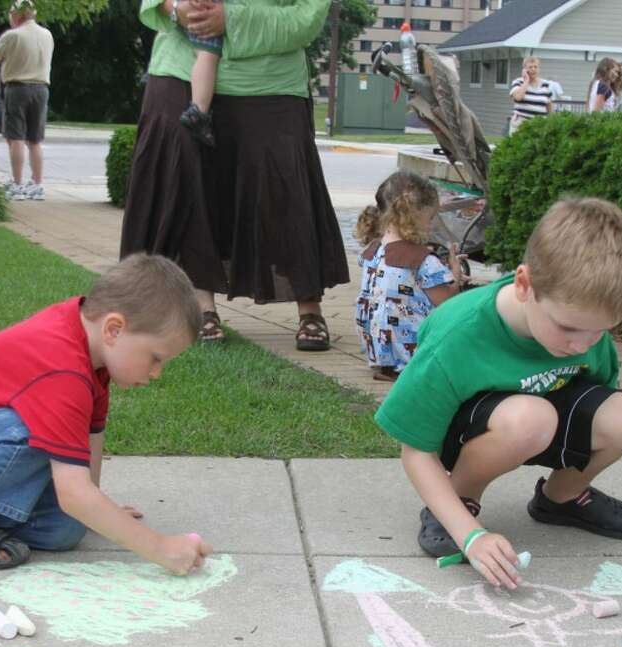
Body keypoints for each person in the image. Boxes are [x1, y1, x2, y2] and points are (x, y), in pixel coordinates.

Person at [374, 197, 622, 591]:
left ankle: (562, 498)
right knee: (530, 419)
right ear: (524, 285)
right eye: (569, 329)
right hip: (480, 430)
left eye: (599, 331)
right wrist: (470, 536)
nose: (584, 344)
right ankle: (458, 505)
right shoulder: (458, 334)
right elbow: (416, 451)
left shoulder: (582, 328)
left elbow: (603, 394)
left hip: (538, 411)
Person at [0, 254, 211, 574]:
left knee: (64, 529)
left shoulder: (94, 356)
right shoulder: (63, 367)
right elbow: (74, 492)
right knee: (29, 432)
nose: (156, 373)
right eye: (155, 358)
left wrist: (101, 508)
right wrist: (161, 548)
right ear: (114, 329)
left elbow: (90, 445)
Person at [120, 0, 347, 350]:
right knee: (186, 188)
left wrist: (232, 19)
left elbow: (308, 16)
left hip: (271, 81)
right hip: (181, 68)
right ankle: (199, 306)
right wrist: (176, 7)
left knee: (285, 194)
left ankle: (309, 306)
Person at [354, 171, 464, 382]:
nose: (432, 224)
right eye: (431, 218)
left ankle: (386, 367)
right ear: (413, 216)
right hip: (413, 354)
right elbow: (448, 303)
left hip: (378, 352)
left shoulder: (372, 252)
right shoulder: (422, 260)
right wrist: (455, 273)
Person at [0, 0, 55, 202]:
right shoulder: (47, 34)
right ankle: (37, 183)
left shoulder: (13, 35)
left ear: (17, 15)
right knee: (34, 139)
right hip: (41, 88)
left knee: (15, 136)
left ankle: (16, 184)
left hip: (17, 88)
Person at [177, 0, 224, 147]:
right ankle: (198, 112)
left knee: (199, 52)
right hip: (205, 11)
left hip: (188, 7)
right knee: (207, 55)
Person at [508, 55, 555, 133]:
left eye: (535, 67)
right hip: (520, 124)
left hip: (539, 125)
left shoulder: (546, 85)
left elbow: (549, 105)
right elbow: (518, 97)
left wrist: (552, 122)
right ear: (525, 69)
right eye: (530, 67)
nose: (533, 69)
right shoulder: (518, 82)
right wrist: (526, 81)